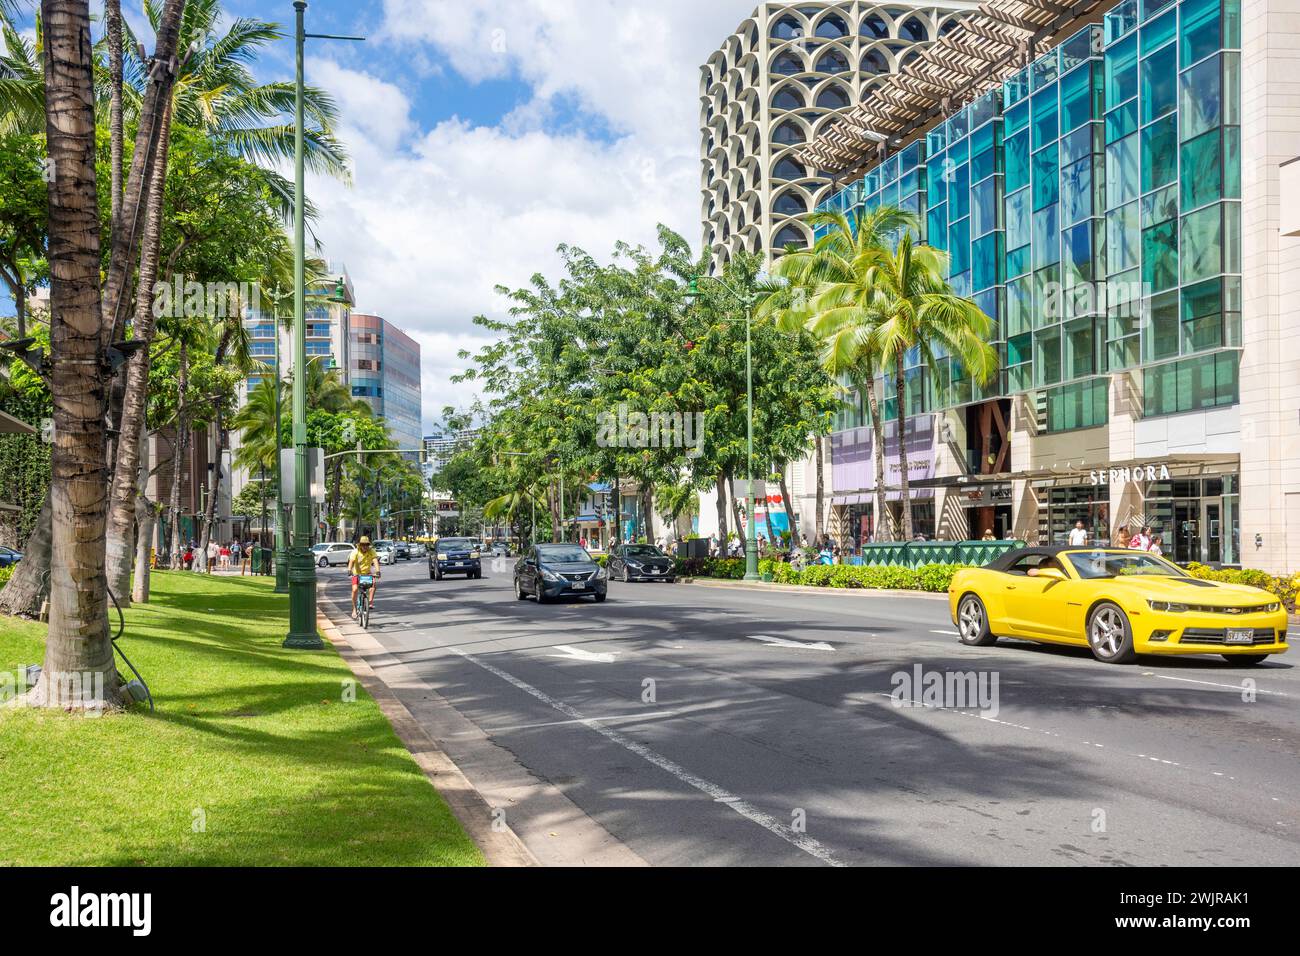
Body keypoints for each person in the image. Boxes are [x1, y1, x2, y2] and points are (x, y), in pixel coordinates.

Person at [348, 537, 381, 620]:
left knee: (373, 584)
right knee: (355, 590)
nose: (365, 546)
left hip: (367, 573)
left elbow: (375, 561)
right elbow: (351, 562)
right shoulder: (355, 552)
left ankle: (369, 602)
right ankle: (354, 609)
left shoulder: (371, 551)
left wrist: (378, 571)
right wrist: (349, 570)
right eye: (363, 545)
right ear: (360, 545)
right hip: (357, 574)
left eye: (366, 545)